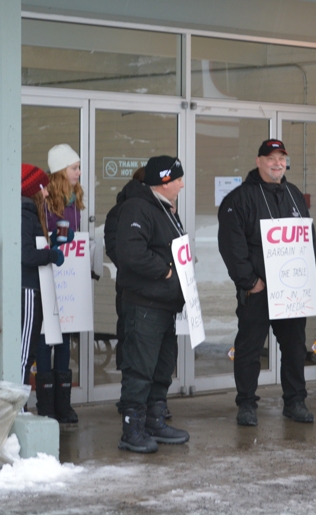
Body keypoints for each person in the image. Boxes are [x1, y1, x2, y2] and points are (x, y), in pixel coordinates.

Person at [218, 139, 316, 427]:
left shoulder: (294, 194)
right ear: (258, 160)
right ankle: (246, 403)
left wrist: (312, 278)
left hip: (292, 290)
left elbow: (306, 237)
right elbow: (231, 245)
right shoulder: (239, 199)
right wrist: (249, 281)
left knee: (295, 347)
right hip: (258, 291)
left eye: (281, 158)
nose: (277, 163)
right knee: (249, 349)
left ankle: (295, 401)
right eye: (271, 157)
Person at [114, 155, 190, 453]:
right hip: (144, 304)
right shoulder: (137, 207)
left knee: (161, 367)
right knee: (140, 368)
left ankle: (154, 421)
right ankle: (132, 428)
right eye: (179, 179)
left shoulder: (166, 209)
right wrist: (167, 271)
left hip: (165, 305)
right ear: (164, 182)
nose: (183, 185)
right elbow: (131, 252)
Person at [105, 167, 171, 420]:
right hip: (134, 288)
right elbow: (120, 250)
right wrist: (153, 269)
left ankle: (153, 404)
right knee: (133, 343)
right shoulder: (127, 210)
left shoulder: (161, 209)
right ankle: (133, 404)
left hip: (155, 291)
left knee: (154, 350)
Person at [20, 164, 67, 422]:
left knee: (28, 353)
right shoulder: (25, 214)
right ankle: (18, 407)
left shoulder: (28, 213)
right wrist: (51, 254)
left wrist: (53, 244)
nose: (48, 193)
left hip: (32, 289)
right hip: (28, 290)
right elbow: (25, 254)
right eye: (44, 188)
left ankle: (20, 405)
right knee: (25, 353)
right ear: (34, 190)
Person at [42, 143, 85, 424]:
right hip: (47, 275)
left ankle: (64, 405)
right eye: (74, 167)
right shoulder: (44, 201)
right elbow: (41, 236)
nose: (79, 173)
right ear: (60, 171)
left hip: (68, 278)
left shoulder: (75, 201)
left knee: (65, 337)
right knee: (47, 339)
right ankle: (46, 405)